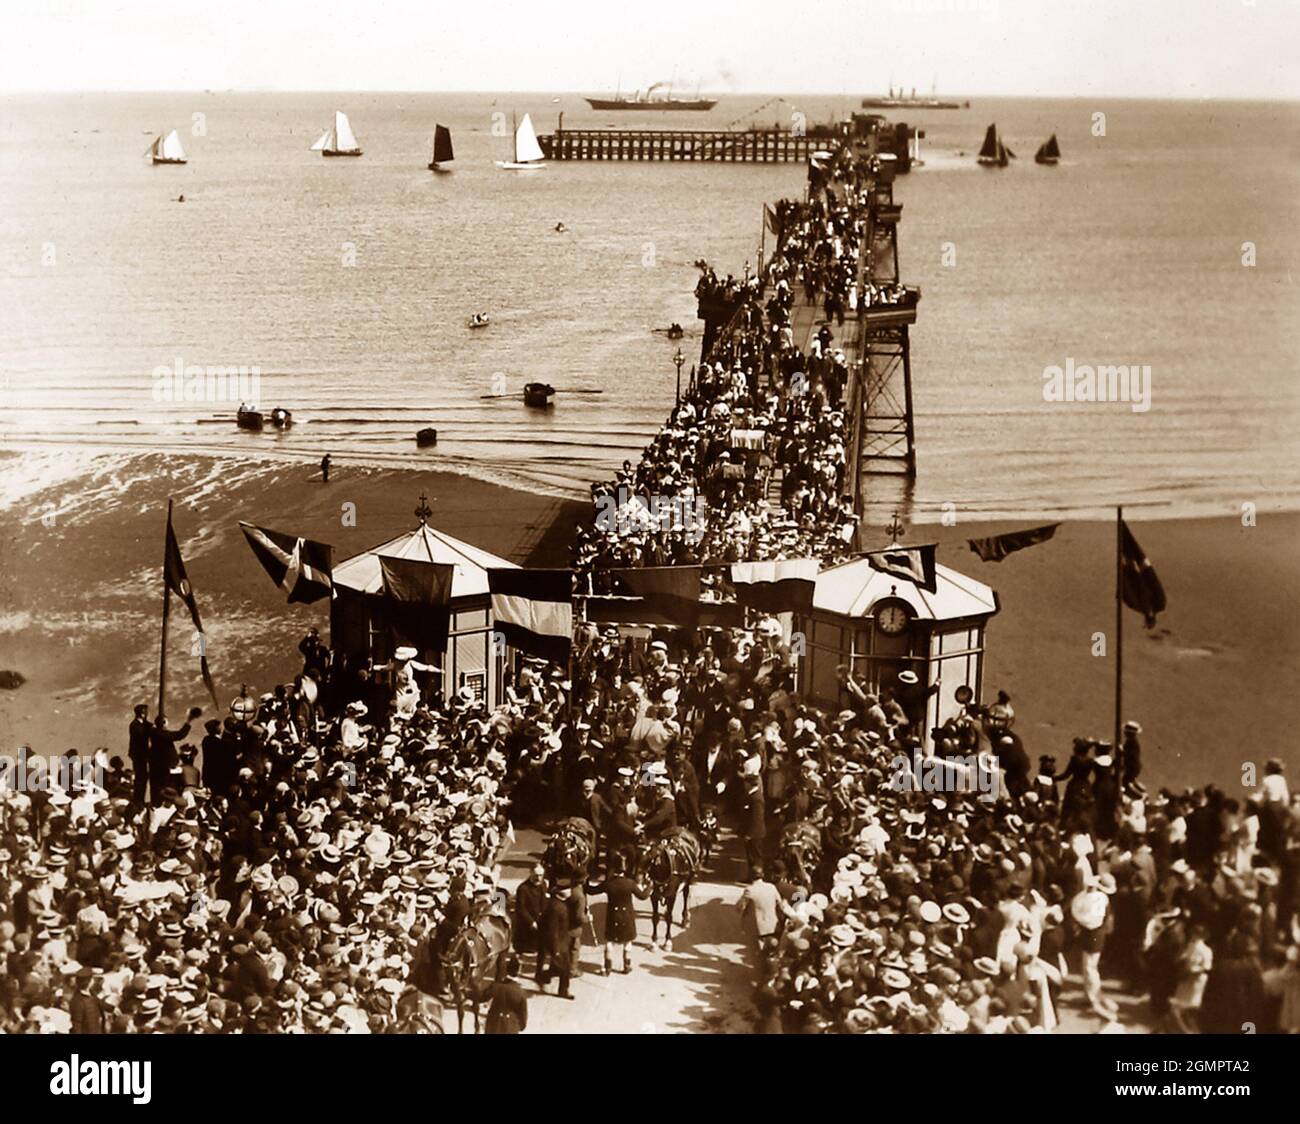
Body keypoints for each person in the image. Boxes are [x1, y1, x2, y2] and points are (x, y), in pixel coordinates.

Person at [586, 856, 648, 975]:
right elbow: (643, 896)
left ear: (614, 869)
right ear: (625, 869)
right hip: (627, 917)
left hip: (613, 916)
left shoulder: (609, 884)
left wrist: (586, 881)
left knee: (609, 942)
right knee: (628, 942)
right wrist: (650, 886)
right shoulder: (630, 883)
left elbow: (591, 891)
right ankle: (626, 966)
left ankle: (607, 968)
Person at [147, 707, 200, 805]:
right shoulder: (160, 734)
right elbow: (180, 735)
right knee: (164, 788)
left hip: (160, 768)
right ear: (164, 723)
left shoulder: (155, 733)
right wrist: (188, 721)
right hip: (164, 768)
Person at [537, 886, 575, 999]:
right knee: (565, 968)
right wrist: (555, 949)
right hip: (558, 943)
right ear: (561, 892)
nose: (570, 891)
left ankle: (543, 976)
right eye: (568, 889)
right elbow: (552, 931)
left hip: (562, 941)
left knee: (559, 967)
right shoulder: (556, 907)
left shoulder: (558, 903)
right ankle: (563, 991)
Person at [485, 955, 528, 1034]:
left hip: (494, 1025)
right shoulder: (521, 992)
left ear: (507, 970)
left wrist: (465, 992)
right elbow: (523, 1018)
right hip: (511, 1028)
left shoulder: (496, 986)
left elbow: (481, 997)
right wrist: (518, 1026)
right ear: (519, 972)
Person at [513, 865, 547, 956]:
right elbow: (521, 908)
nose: (538, 878)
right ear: (531, 873)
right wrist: (531, 922)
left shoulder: (543, 885)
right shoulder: (523, 889)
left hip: (540, 922)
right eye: (536, 875)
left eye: (541, 875)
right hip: (526, 925)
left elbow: (544, 902)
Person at [127, 704, 151, 807]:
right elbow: (142, 733)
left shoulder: (143, 724)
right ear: (141, 713)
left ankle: (140, 798)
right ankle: (138, 800)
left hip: (142, 755)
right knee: (140, 778)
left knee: (143, 777)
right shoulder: (135, 725)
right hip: (138, 755)